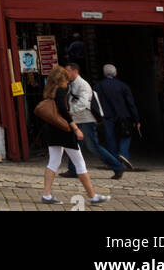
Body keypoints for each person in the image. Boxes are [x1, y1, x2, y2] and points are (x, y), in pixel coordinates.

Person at [40, 65, 111, 205]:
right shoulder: (61, 90)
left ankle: (46, 195)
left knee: (53, 162)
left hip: (52, 129)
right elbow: (63, 110)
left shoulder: (49, 91)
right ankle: (93, 196)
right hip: (64, 131)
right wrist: (75, 127)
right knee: (79, 162)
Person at [63, 63, 123, 178]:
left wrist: (71, 111)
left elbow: (83, 102)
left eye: (67, 71)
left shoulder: (82, 85)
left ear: (75, 71)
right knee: (74, 145)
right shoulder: (72, 84)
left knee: (93, 146)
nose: (66, 74)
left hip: (85, 119)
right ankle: (73, 170)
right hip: (77, 118)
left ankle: (117, 166)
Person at [94, 64, 139, 169]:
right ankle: (123, 154)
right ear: (116, 73)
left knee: (110, 138)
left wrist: (97, 115)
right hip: (123, 115)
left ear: (104, 73)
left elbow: (95, 101)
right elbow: (130, 103)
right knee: (126, 135)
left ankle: (114, 160)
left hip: (106, 115)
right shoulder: (123, 85)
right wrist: (136, 119)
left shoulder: (98, 86)